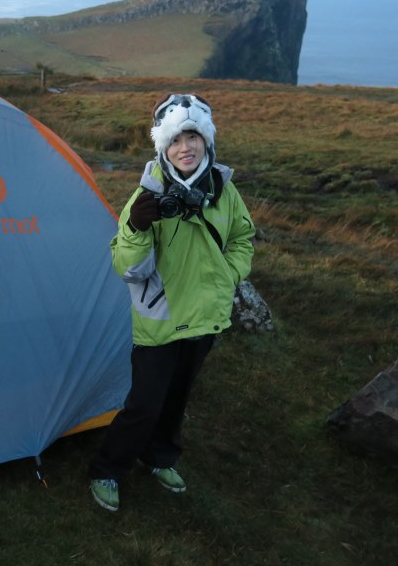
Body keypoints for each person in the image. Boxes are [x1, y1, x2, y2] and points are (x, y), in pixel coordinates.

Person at [88, 93, 255, 512]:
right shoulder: (147, 194)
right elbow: (128, 269)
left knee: (177, 399)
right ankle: (107, 470)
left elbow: (241, 239)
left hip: (206, 319)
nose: (186, 147)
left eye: (193, 136)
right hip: (160, 320)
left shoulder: (225, 190)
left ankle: (160, 457)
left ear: (207, 141)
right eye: (176, 139)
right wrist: (137, 228)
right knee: (144, 405)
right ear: (163, 146)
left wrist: (228, 277)